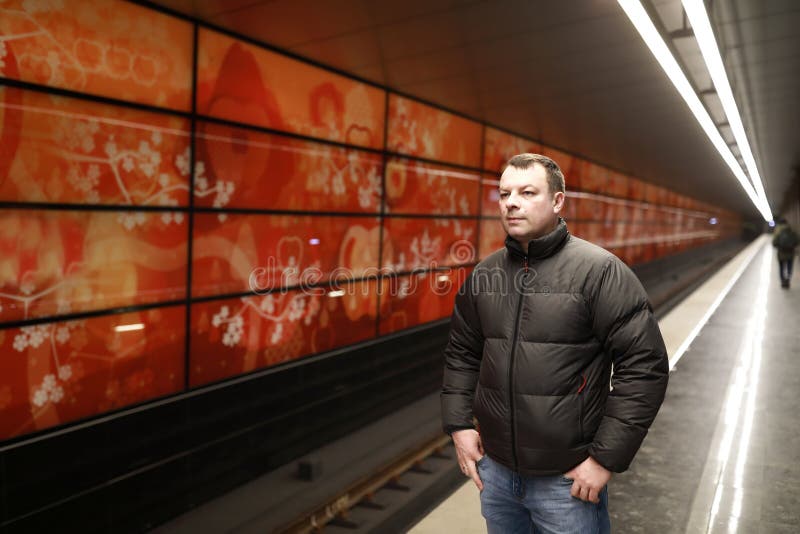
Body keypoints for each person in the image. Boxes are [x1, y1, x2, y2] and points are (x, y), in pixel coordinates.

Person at [441, 153, 669, 533]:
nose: (511, 202)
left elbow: (644, 367)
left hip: (566, 482)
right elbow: (462, 354)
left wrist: (604, 459)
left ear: (558, 201)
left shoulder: (599, 272)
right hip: (496, 476)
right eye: (504, 193)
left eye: (527, 192)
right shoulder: (485, 274)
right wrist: (459, 426)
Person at [771, 219, 799, 288]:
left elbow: (774, 243)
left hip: (781, 254)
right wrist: (792, 246)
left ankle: (783, 281)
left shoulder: (779, 232)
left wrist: (779, 246)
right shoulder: (792, 232)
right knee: (789, 267)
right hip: (790, 253)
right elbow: (797, 241)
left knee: (781, 268)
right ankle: (788, 279)